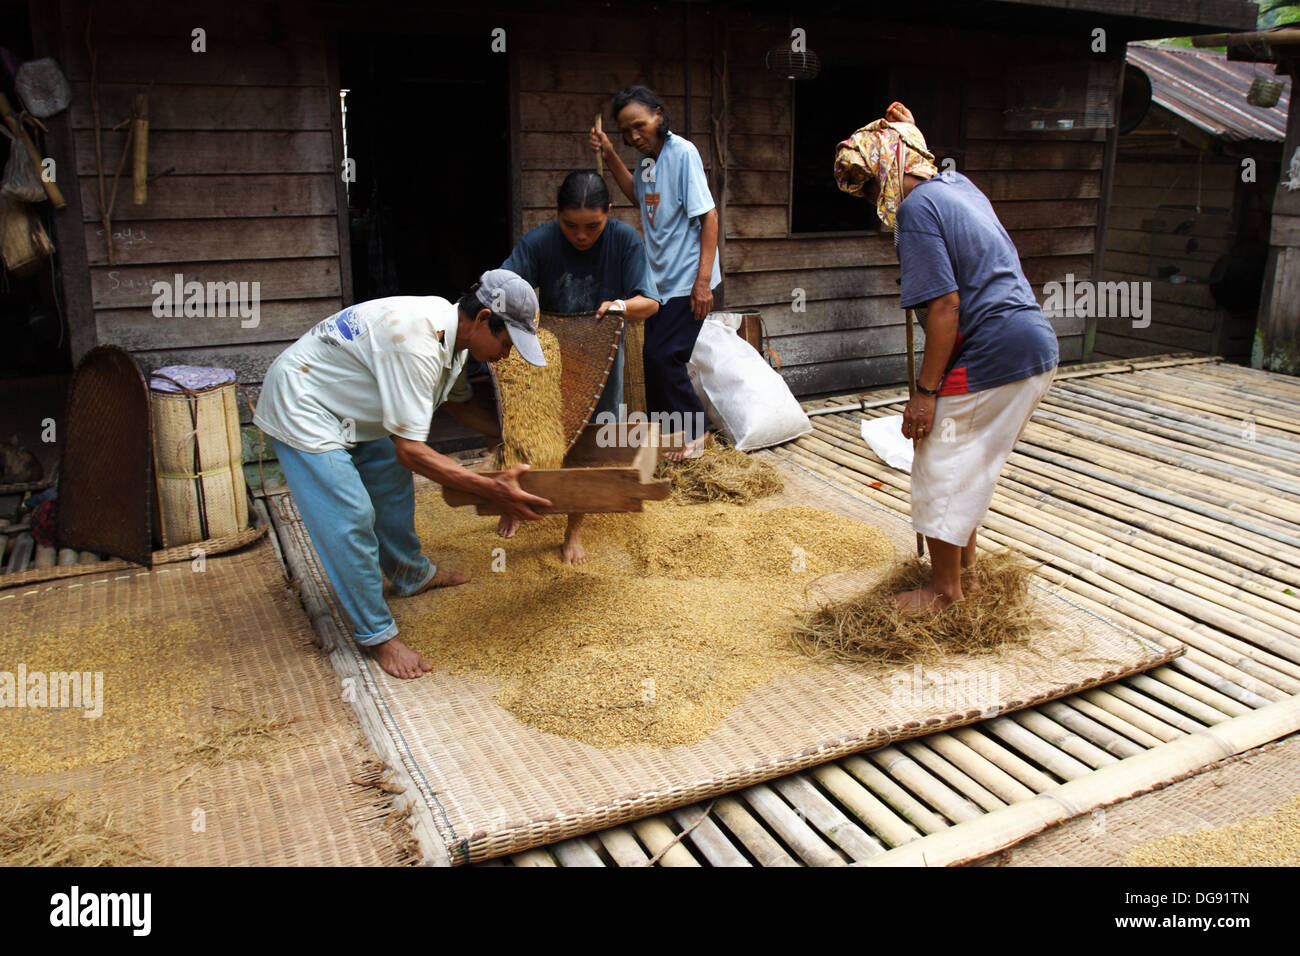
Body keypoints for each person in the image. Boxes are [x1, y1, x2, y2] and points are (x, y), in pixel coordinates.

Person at [254, 270, 553, 678]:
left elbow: (458, 407)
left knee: (392, 484)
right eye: (506, 343)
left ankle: (410, 574)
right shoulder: (417, 342)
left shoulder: (457, 342)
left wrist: (512, 438)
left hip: (358, 408)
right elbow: (411, 450)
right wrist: (488, 487)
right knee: (351, 516)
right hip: (306, 403)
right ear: (484, 319)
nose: (507, 355)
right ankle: (378, 636)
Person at [834, 103, 1059, 613]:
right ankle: (968, 578)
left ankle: (944, 592)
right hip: (1031, 344)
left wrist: (925, 393)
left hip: (996, 348)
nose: (874, 199)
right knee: (968, 463)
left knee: (939, 461)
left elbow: (945, 305)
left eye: (871, 184)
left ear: (890, 167)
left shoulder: (916, 209)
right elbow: (918, 160)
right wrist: (908, 130)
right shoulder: (959, 186)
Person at [498, 169, 660, 563]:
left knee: (593, 437)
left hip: (602, 355)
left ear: (609, 213)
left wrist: (621, 305)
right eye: (571, 226)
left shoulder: (623, 240)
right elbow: (501, 286)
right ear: (557, 216)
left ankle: (574, 528)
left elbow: (650, 302)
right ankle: (514, 499)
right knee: (529, 430)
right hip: (548, 353)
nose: (582, 235)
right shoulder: (540, 242)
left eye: (592, 226)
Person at [589, 85, 721, 460]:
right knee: (651, 357)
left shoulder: (683, 154)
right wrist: (611, 154)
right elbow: (637, 195)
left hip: (688, 280)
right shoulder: (649, 160)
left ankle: (698, 432)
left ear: (659, 115)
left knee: (665, 356)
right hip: (660, 283)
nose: (634, 136)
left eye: (640, 126)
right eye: (626, 132)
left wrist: (702, 283)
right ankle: (670, 433)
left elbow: (709, 216)